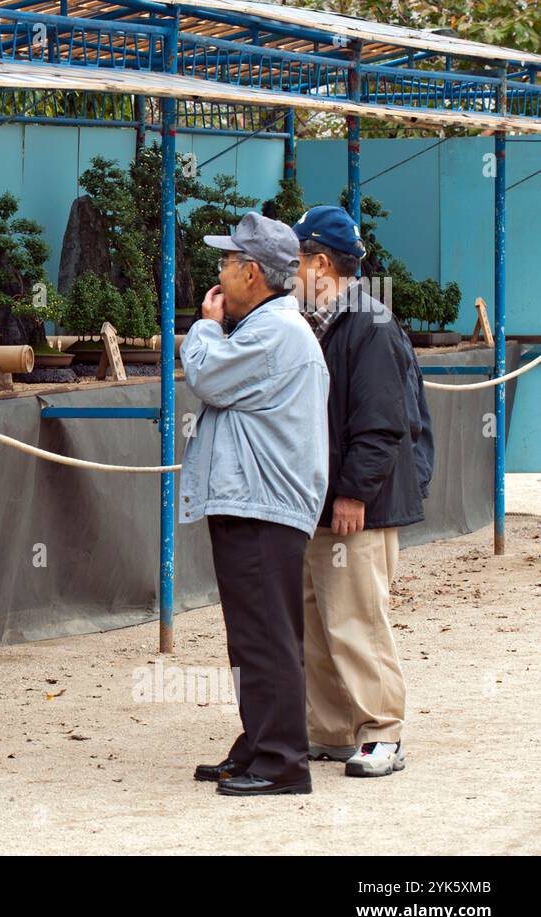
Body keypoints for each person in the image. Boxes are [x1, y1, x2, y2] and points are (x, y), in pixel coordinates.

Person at [181, 212, 330, 796]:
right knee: (252, 635)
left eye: (225, 261)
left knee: (266, 635)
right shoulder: (268, 327)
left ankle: (282, 762)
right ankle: (258, 745)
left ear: (250, 274)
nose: (217, 270)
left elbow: (208, 378)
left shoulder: (275, 331)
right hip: (252, 503)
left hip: (264, 505)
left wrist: (205, 327)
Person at [291, 206, 431, 778]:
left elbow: (381, 422)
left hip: (357, 504)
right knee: (317, 617)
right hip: (320, 499)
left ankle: (381, 732)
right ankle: (329, 729)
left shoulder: (367, 323)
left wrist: (353, 493)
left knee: (356, 618)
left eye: (296, 258)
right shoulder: (323, 320)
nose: (288, 269)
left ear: (321, 263)